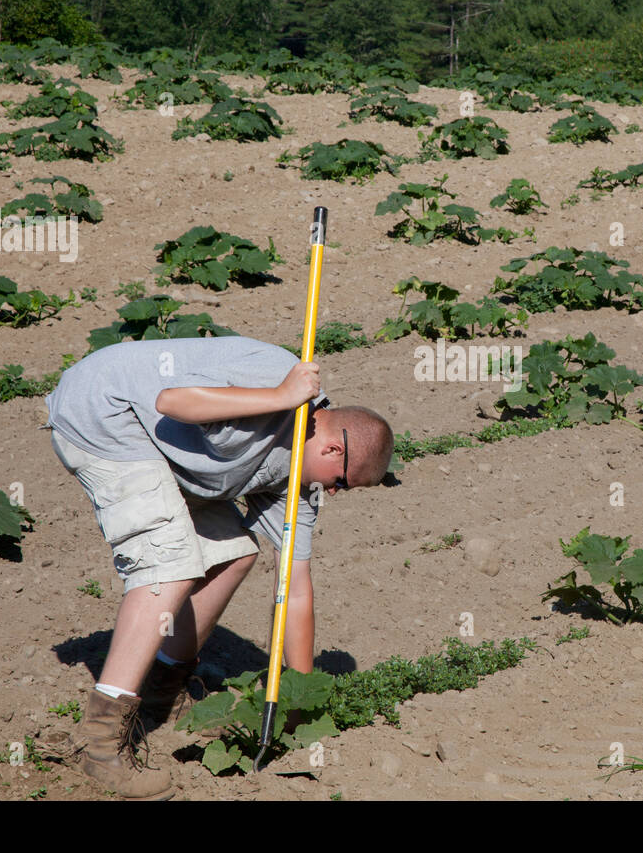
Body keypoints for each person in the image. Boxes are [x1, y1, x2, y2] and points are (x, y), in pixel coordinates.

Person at [42, 335, 393, 799]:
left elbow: (295, 587)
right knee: (167, 564)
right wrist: (281, 397)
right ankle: (101, 743)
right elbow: (171, 401)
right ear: (333, 452)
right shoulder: (278, 377)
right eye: (342, 484)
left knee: (233, 553)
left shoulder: (298, 486)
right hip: (106, 413)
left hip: (161, 450)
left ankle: (164, 692)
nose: (332, 493)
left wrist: (299, 697)